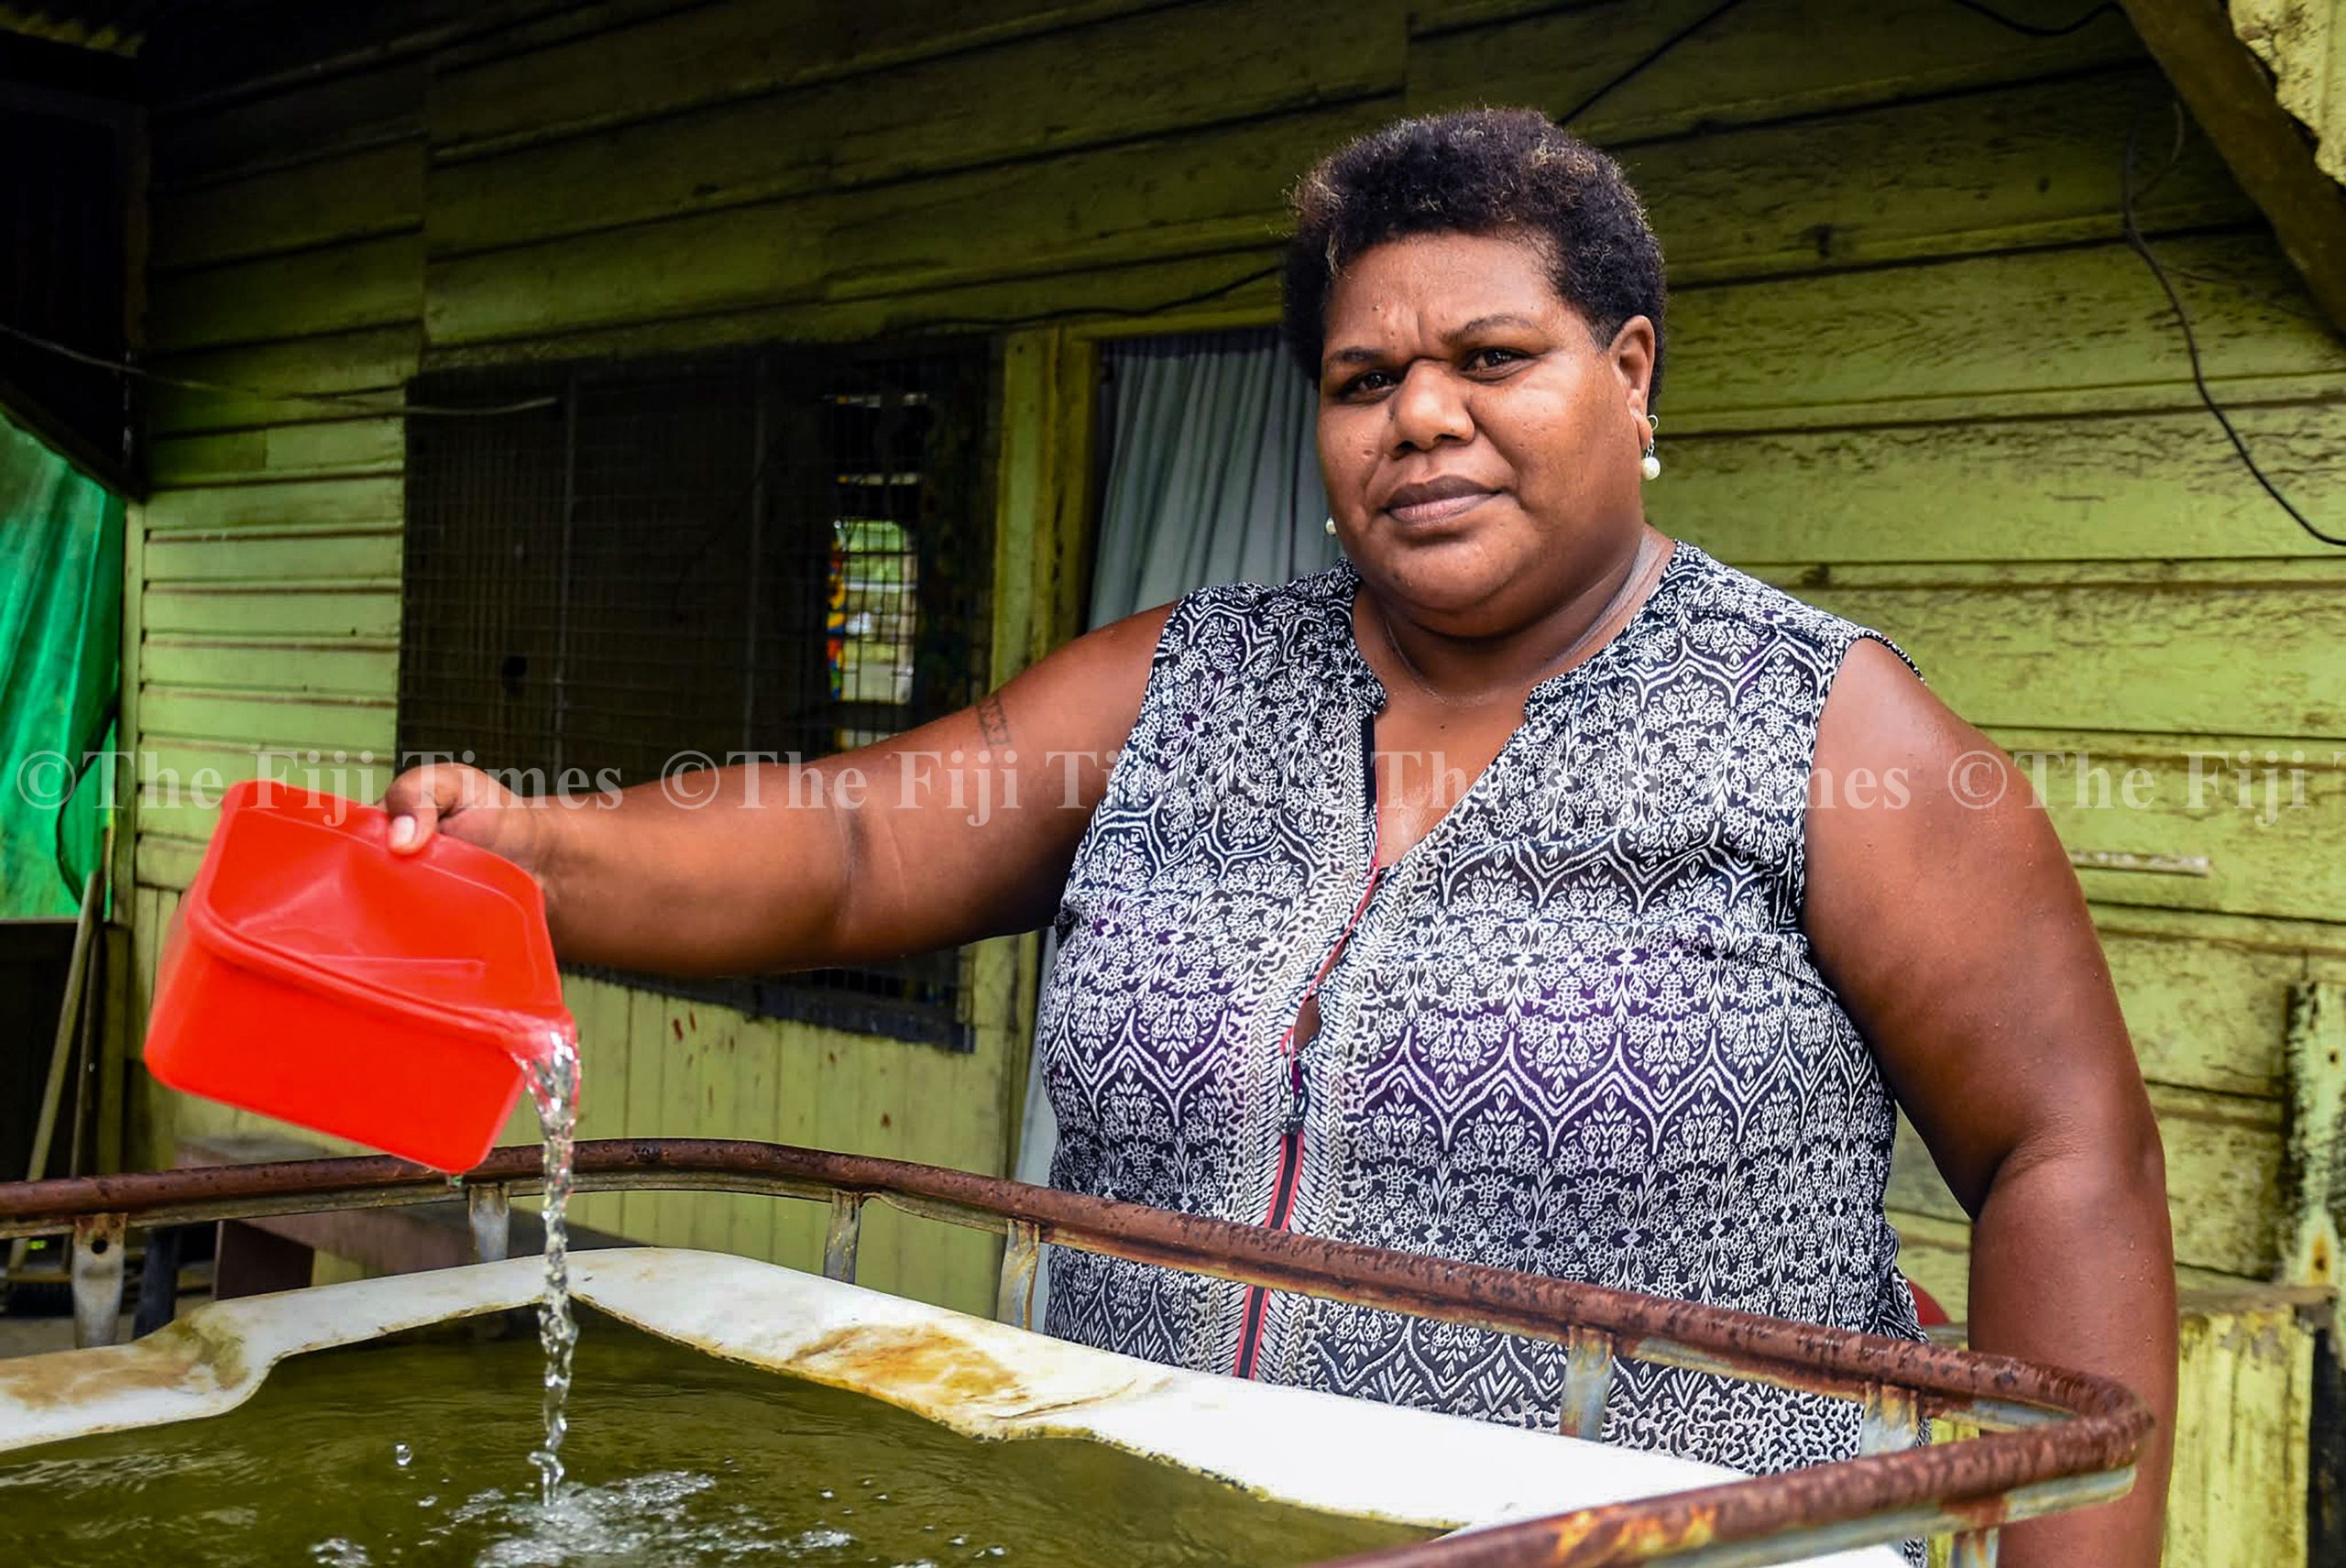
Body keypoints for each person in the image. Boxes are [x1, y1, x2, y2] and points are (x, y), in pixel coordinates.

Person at [385, 109, 2176, 1565]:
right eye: (1357, 377)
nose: (1417, 416)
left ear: (1629, 376)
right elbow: (857, 840)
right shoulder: (1178, 681)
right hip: (1143, 1519)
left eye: (1491, 356)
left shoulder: (1821, 726)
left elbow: (2062, 1153)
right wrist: (527, 850)